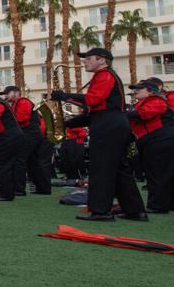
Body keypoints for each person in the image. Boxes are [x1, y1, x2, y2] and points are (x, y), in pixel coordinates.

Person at [51, 47, 144, 222]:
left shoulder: (104, 75)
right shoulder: (105, 76)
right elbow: (97, 109)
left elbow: (93, 100)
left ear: (102, 60)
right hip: (112, 123)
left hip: (108, 125)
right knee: (119, 169)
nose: (85, 61)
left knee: (101, 168)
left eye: (88, 58)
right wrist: (70, 123)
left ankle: (100, 211)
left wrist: (65, 96)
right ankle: (135, 210)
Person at [132, 77, 174, 214]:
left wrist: (122, 115)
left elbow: (143, 114)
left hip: (160, 139)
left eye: (139, 89)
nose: (135, 92)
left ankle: (158, 205)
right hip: (164, 139)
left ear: (150, 91)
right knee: (169, 171)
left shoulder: (156, 100)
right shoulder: (149, 101)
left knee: (157, 171)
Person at [2, 85, 49, 196]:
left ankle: (19, 189)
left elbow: (22, 118)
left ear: (15, 92)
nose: (6, 96)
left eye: (7, 93)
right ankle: (43, 188)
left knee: (20, 160)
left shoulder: (23, 102)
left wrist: (5, 118)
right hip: (31, 134)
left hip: (30, 134)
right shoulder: (15, 103)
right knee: (34, 162)